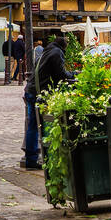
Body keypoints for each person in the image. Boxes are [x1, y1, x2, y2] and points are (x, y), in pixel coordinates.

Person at [23, 32, 74, 170]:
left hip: (31, 90)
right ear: (64, 46)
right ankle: (33, 159)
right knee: (38, 125)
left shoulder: (49, 50)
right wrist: (73, 74)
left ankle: (31, 158)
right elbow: (61, 75)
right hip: (37, 93)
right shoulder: (57, 53)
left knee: (33, 126)